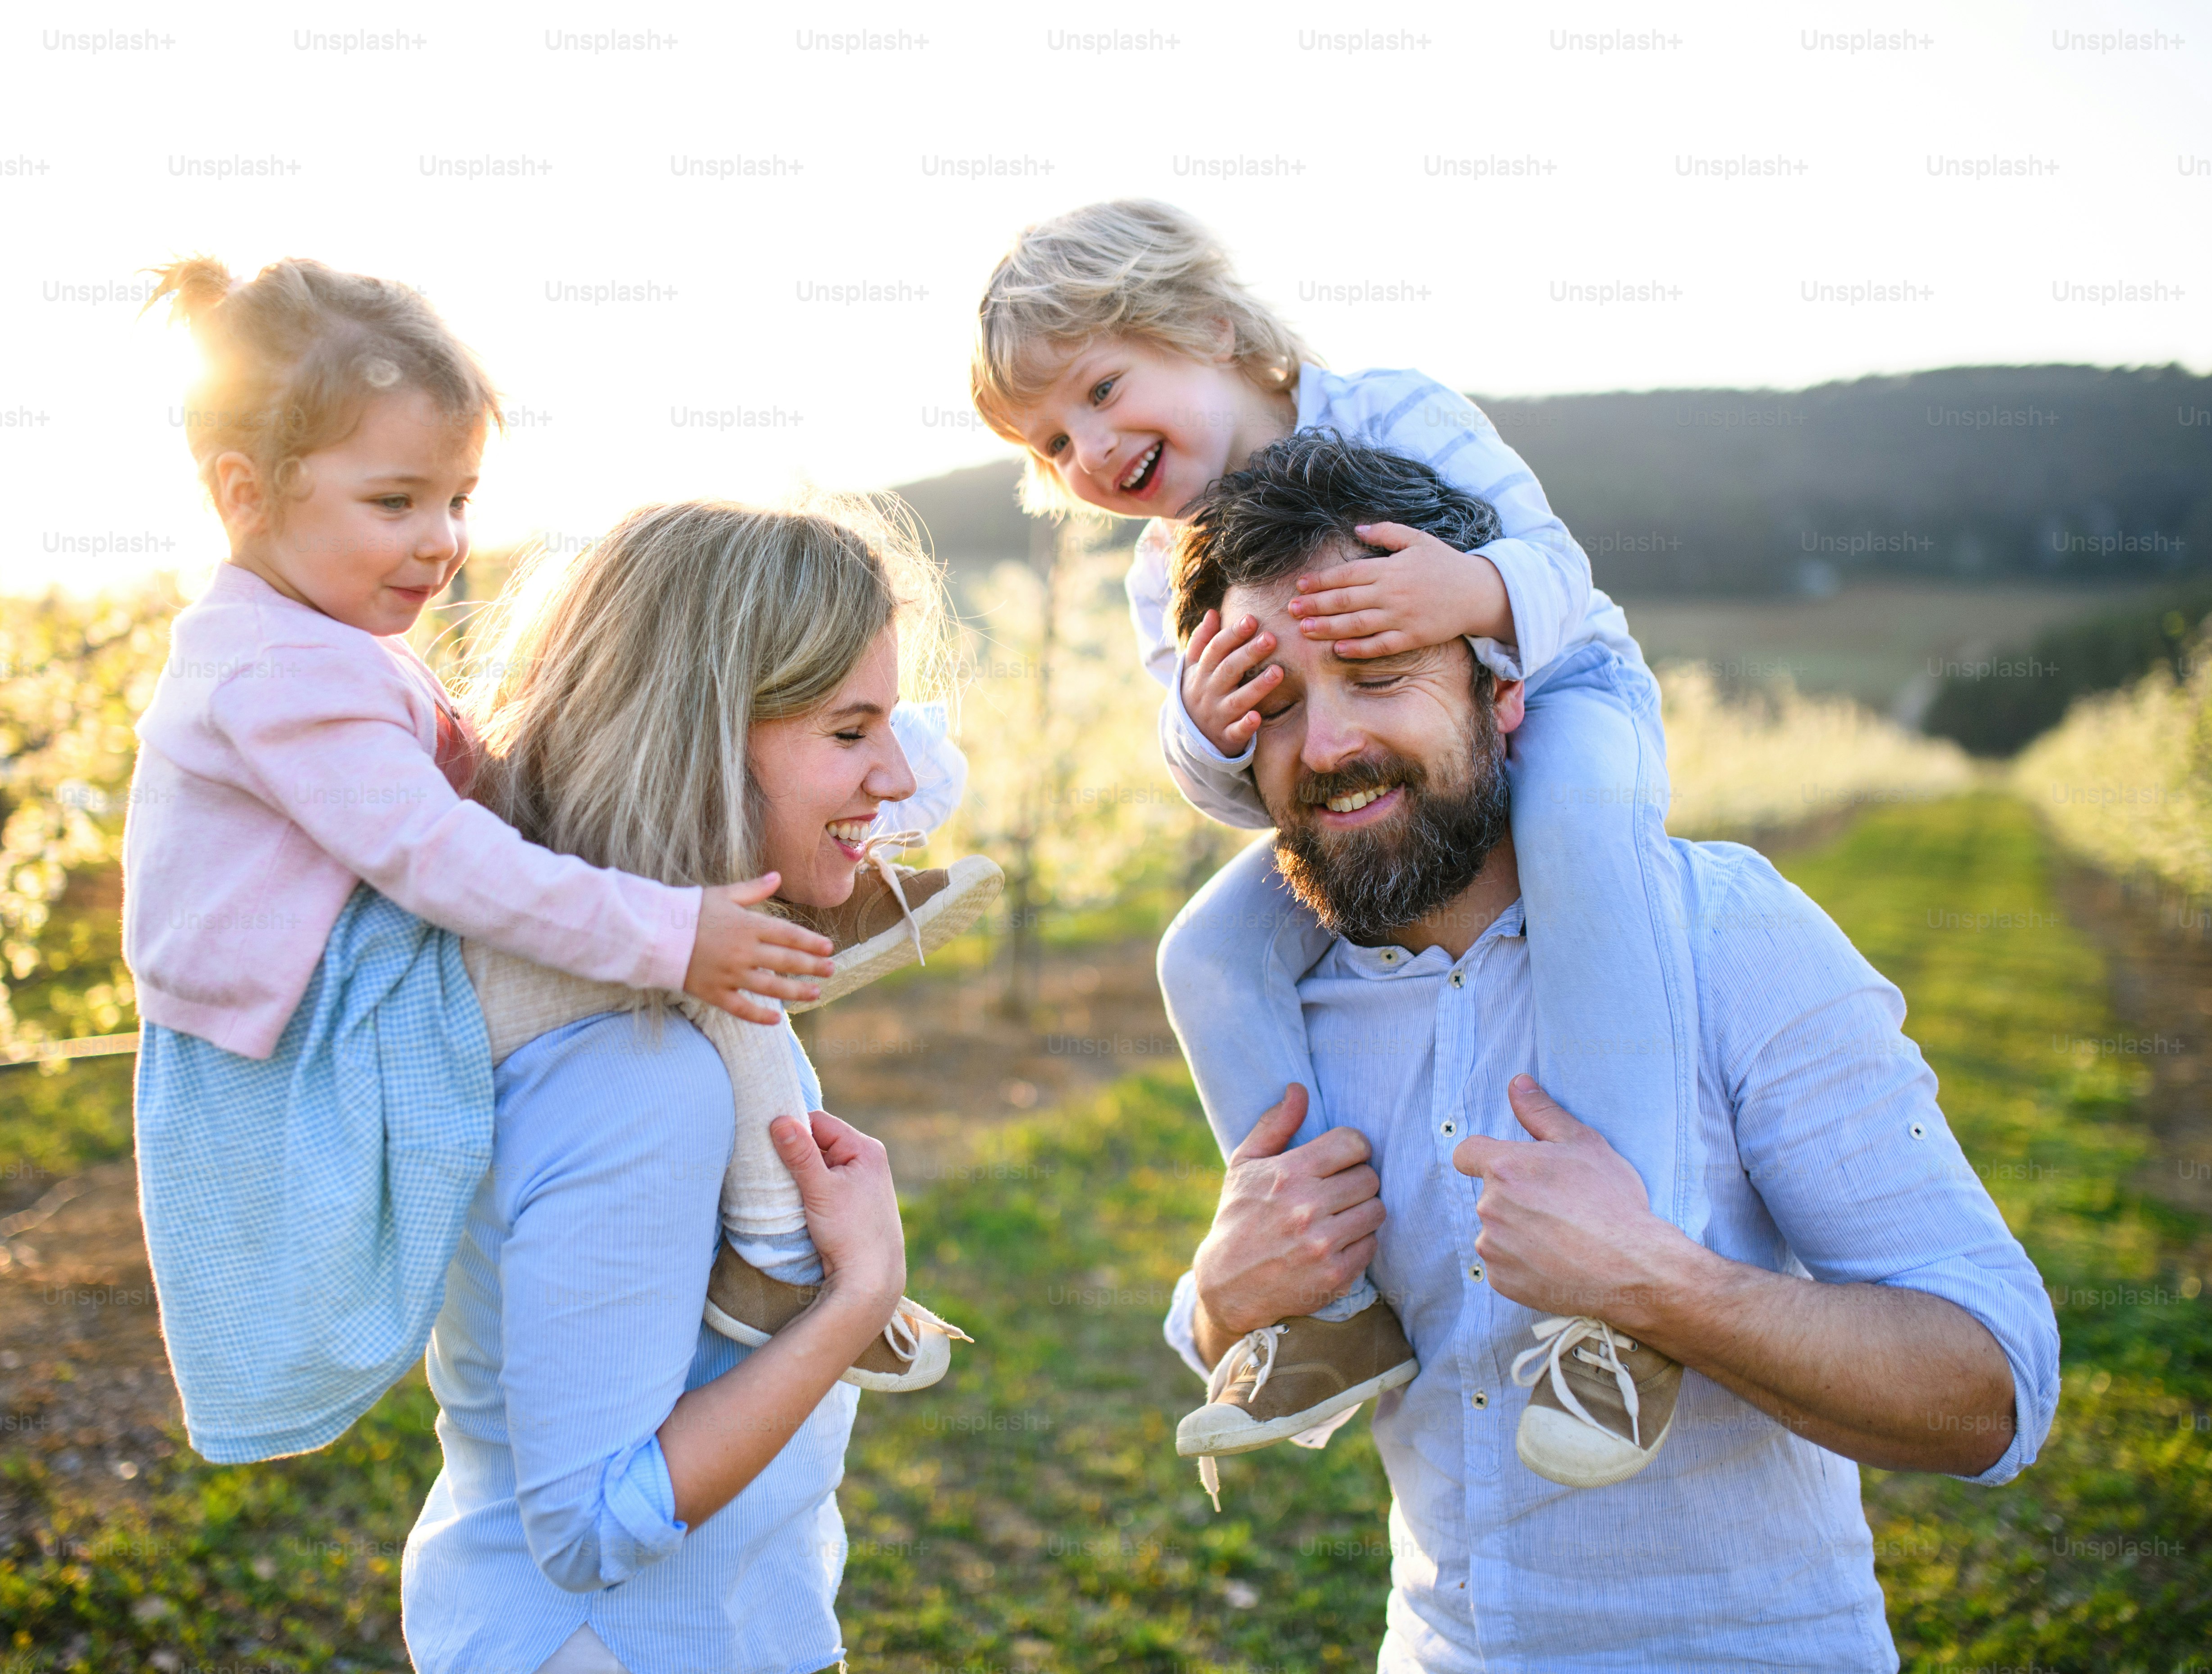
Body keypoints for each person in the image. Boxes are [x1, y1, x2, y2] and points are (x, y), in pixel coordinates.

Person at [1159, 430, 2058, 1668]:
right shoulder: (1276, 999)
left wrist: (1657, 1285)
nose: (1324, 747)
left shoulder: (1731, 941)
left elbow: (1992, 1391)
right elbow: (1240, 1324)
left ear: (1504, 686)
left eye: (1377, 673)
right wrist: (1219, 1303)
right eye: (1273, 706)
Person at [123, 257, 988, 1464]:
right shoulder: (280, 670)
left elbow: (474, 798)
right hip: (336, 1025)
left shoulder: (310, 641)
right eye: (397, 504)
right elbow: (442, 857)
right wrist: (671, 932)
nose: (441, 543)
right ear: (242, 493)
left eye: (460, 501)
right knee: (685, 970)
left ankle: (796, 915)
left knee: (678, 928)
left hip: (370, 979)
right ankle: (775, 1254)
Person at [970, 199, 1702, 1485]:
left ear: (1206, 327)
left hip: (1566, 701)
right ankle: (1330, 1309)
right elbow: (1254, 795)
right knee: (1203, 954)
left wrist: (1465, 593)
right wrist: (1202, 727)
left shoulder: (1391, 413)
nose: (1088, 449)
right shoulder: (1166, 574)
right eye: (1051, 443)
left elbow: (1561, 574)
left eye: (1100, 389)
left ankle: (1622, 1297)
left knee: (1584, 844)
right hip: (1375, 791)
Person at [401, 496, 952, 1674]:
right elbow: (590, 1524)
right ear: (704, 738)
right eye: (851, 731)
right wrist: (861, 1298)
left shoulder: (670, 1013)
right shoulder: (631, 1079)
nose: (896, 774)